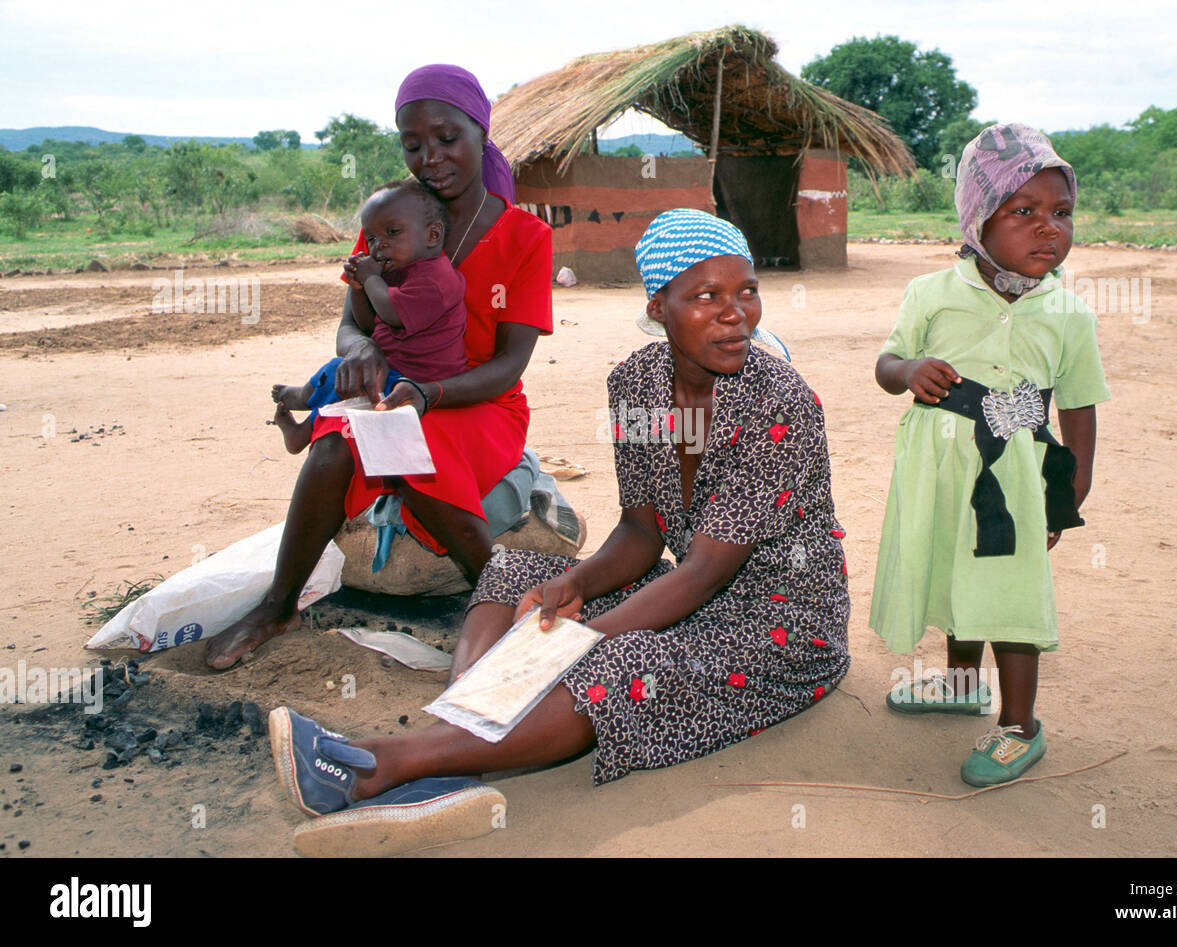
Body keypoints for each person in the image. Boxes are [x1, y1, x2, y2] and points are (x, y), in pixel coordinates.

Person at [266, 209, 851, 856]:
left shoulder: (778, 403)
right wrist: (572, 584)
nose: (736, 313)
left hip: (781, 626)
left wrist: (580, 639)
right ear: (659, 306)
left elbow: (705, 570)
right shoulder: (637, 385)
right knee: (515, 571)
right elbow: (639, 533)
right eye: (706, 295)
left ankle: (384, 764)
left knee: (619, 657)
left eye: (747, 292)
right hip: (693, 593)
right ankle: (458, 740)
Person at [204, 64, 552, 670]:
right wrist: (359, 349)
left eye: (447, 138)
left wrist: (428, 392)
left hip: (478, 403)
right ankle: (280, 604)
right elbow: (351, 327)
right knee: (334, 445)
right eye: (413, 144)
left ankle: (498, 595)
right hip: (398, 395)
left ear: (481, 132)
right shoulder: (391, 222)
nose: (431, 157)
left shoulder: (525, 236)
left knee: (408, 448)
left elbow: (508, 366)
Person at [869, 123, 1110, 786]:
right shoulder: (930, 294)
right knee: (954, 571)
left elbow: (1080, 405)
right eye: (1023, 211)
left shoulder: (1070, 314)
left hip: (1018, 476)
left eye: (1061, 213)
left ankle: (1020, 725)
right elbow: (887, 364)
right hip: (938, 470)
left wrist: (1070, 493)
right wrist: (910, 367)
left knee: (1009, 594)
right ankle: (959, 684)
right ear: (979, 218)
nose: (1048, 229)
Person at [270, 178, 468, 454]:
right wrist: (359, 288)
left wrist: (372, 278)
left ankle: (303, 398)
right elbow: (367, 324)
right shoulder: (397, 274)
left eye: (392, 232)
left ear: (433, 235)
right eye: (372, 238)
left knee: (337, 373)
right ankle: (302, 431)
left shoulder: (437, 279)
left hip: (415, 382)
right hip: (394, 375)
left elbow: (392, 314)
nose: (378, 246)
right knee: (347, 384)